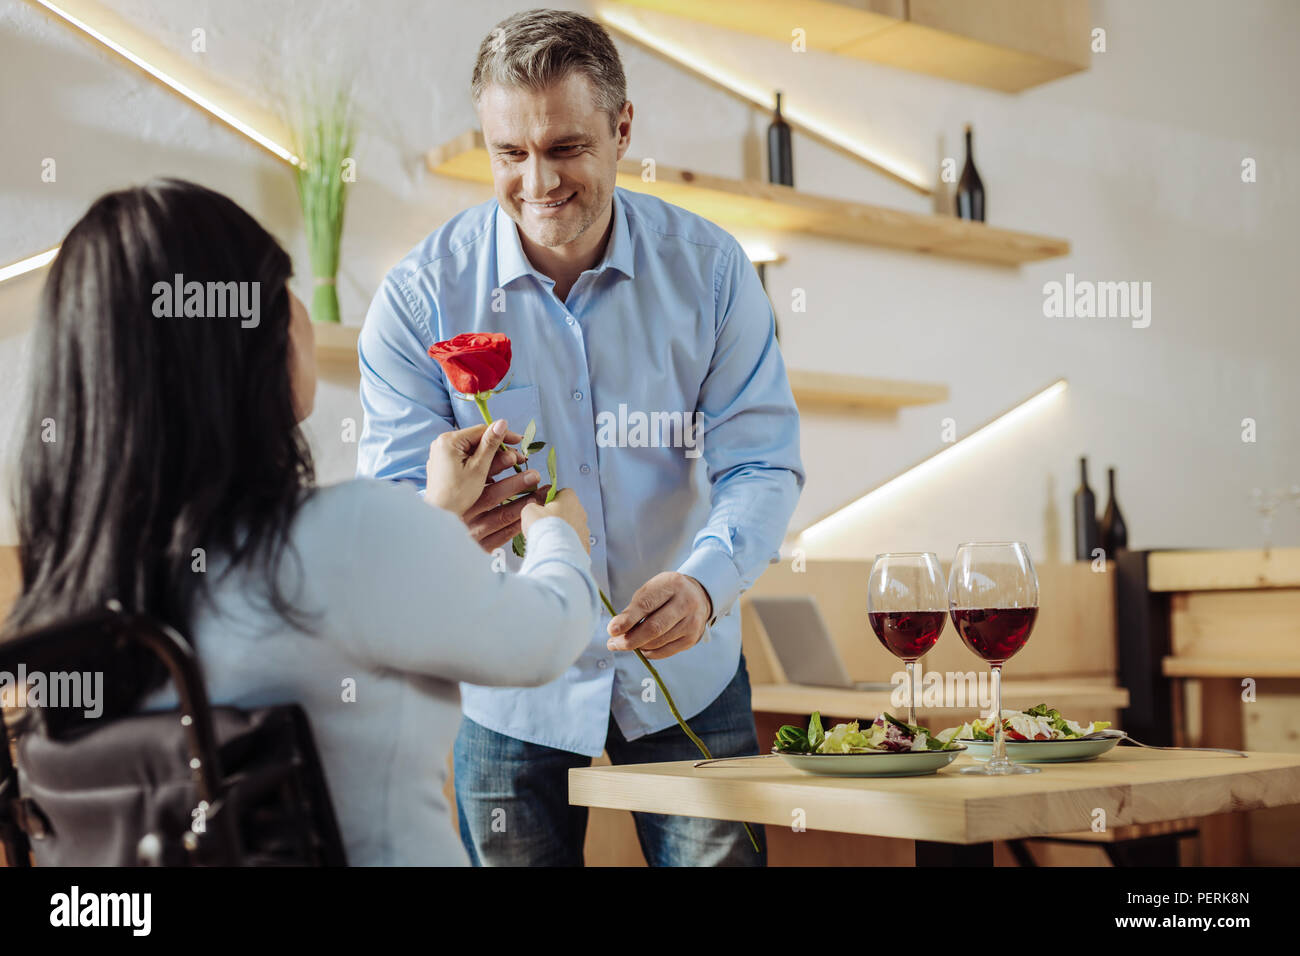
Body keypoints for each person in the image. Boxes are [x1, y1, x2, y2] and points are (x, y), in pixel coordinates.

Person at [3, 179, 598, 866]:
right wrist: (561, 535)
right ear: (235, 342)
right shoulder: (351, 536)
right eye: (280, 282)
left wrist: (432, 525)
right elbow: (543, 639)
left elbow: (318, 618)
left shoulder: (68, 614)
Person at [357, 9, 804, 866]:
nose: (537, 182)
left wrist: (707, 585)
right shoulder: (419, 300)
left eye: (566, 148)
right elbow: (389, 516)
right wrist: (440, 524)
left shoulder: (711, 273)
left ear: (622, 127)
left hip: (687, 677)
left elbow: (763, 461)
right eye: (509, 154)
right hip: (508, 690)